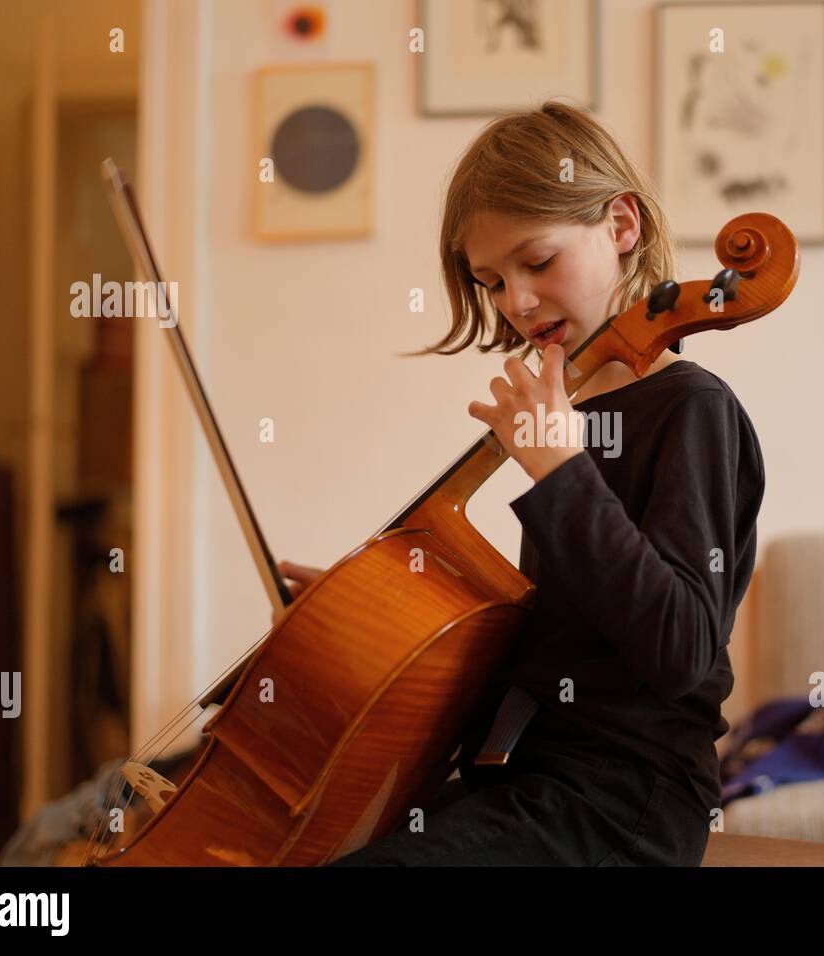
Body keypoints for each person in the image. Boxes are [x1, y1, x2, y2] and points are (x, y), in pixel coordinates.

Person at [281, 100, 765, 865]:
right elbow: (561, 642)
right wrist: (369, 630)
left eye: (536, 262)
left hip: (625, 802)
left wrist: (562, 472)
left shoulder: (691, 409)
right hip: (526, 774)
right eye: (492, 281)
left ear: (621, 226)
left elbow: (678, 650)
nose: (517, 302)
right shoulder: (569, 412)